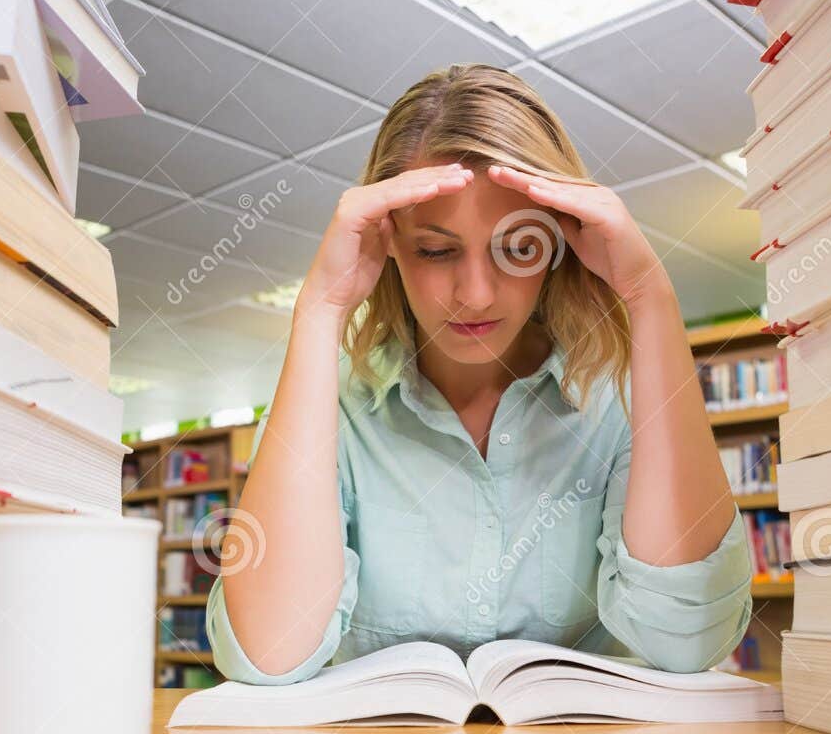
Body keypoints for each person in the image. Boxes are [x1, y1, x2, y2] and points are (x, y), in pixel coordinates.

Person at [204, 63, 752, 684]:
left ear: (561, 242)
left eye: (518, 247)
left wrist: (649, 296)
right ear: (386, 244)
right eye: (435, 251)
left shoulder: (618, 400)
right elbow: (267, 656)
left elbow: (688, 641)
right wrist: (320, 309)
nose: (476, 293)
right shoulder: (329, 405)